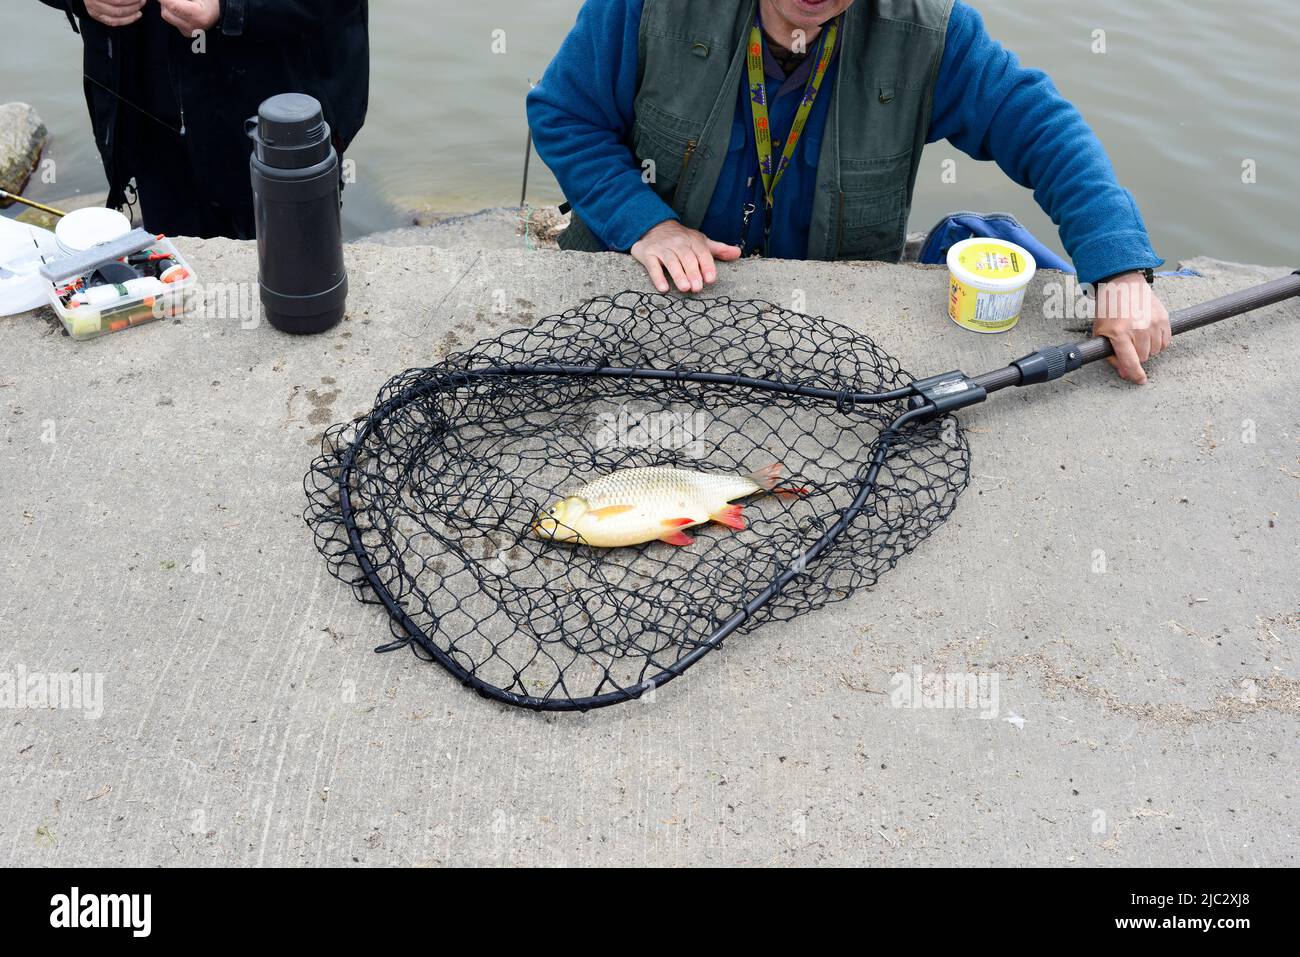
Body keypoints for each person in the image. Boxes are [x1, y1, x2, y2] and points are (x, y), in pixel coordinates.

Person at [527, 0, 1172, 384]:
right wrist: (646, 224)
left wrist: (1118, 269)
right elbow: (563, 113)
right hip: (643, 300)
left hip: (814, 336)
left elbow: (1041, 126)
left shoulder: (928, 30)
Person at [38, 0, 369, 240]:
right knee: (177, 287)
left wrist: (232, 8)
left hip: (276, 121)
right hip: (153, 126)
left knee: (291, 288)